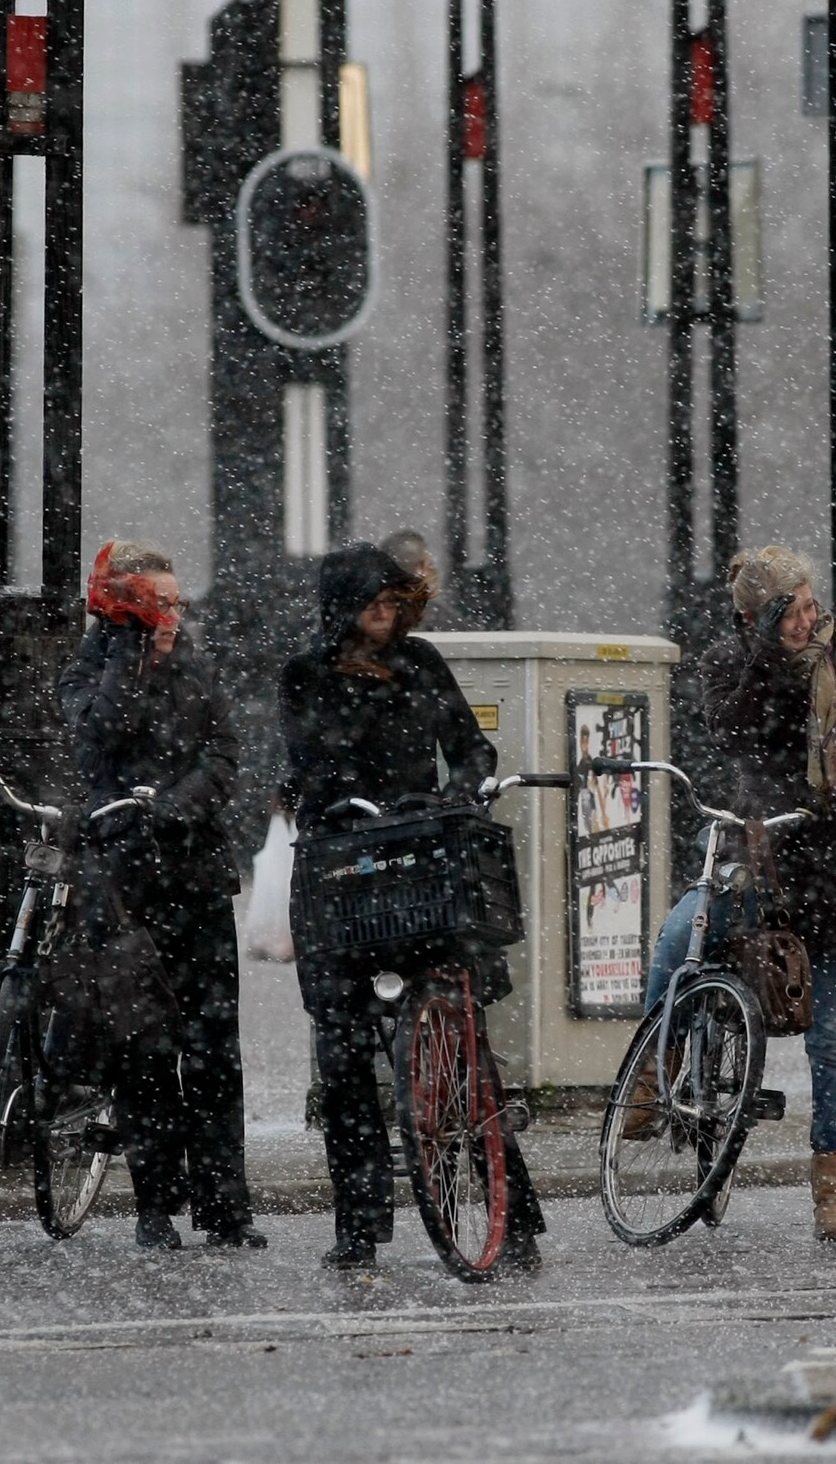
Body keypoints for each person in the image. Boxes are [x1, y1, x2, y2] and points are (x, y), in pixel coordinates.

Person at [642, 546, 836, 1241]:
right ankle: (655, 1072)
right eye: (788, 612)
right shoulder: (727, 664)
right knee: (679, 940)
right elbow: (737, 733)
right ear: (753, 618)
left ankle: (835, 1194)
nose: (806, 620)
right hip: (762, 858)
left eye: (807, 605)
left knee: (832, 1043)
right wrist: (768, 656)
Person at [279, 542, 544, 1270]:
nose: (388, 617)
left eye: (395, 604)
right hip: (344, 866)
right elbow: (310, 759)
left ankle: (509, 1212)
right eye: (374, 605)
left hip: (419, 854)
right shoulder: (306, 672)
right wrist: (340, 798)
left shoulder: (422, 661)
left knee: (464, 1046)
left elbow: (469, 744)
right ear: (342, 608)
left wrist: (464, 783)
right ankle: (358, 1224)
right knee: (341, 1050)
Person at [57, 540, 264, 1249]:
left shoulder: (198, 669)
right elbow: (96, 740)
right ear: (129, 609)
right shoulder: (96, 666)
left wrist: (177, 803)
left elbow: (226, 755)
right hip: (123, 885)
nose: (174, 615)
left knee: (212, 1047)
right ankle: (155, 1204)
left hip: (196, 876)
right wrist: (126, 654)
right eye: (160, 603)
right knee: (140, 1049)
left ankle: (225, 1205)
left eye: (177, 602)